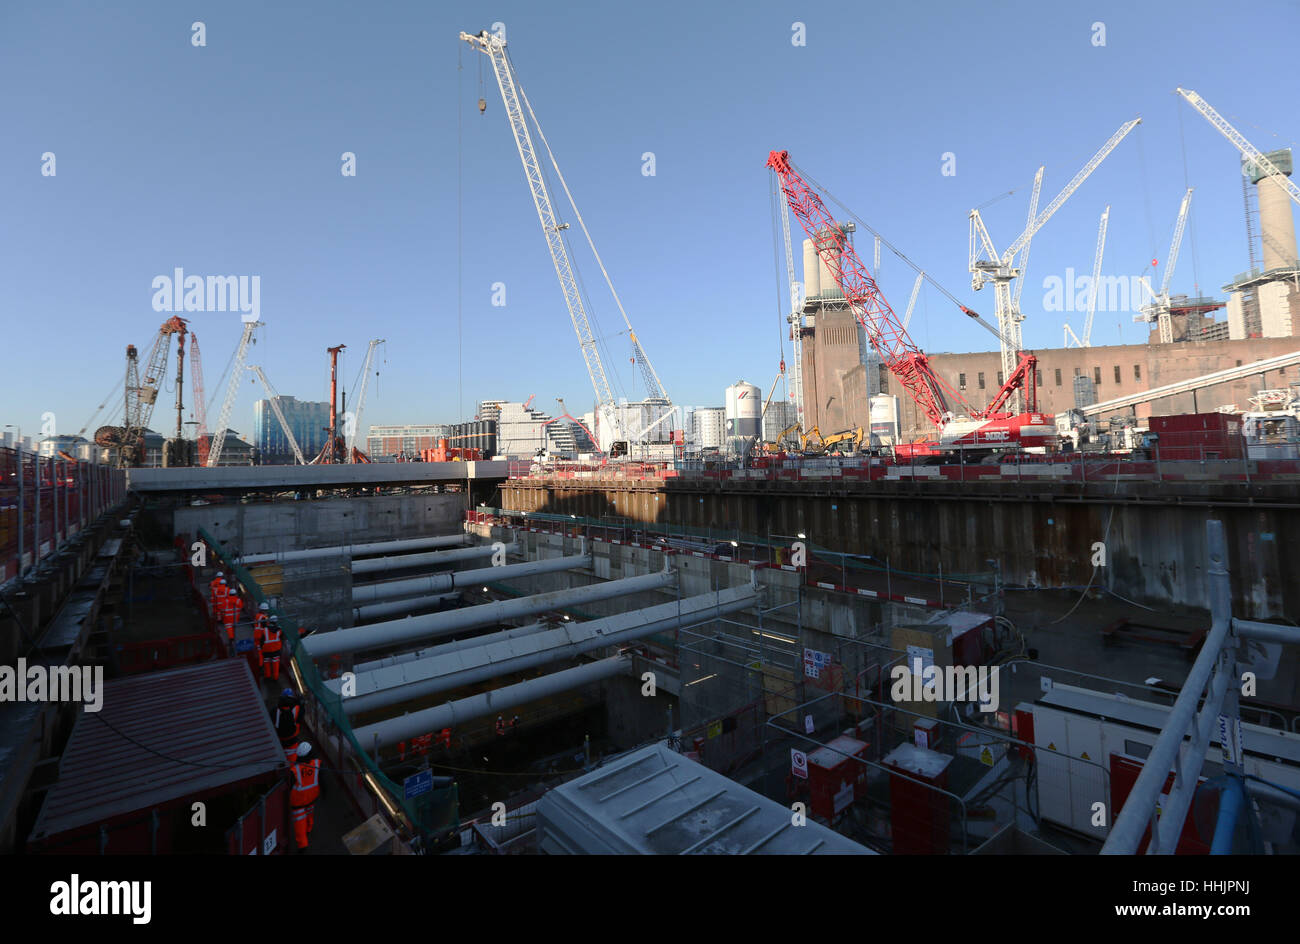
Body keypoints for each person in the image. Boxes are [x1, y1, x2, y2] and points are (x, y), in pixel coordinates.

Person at [289, 741, 322, 852]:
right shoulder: (317, 764)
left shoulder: (294, 770)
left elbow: (289, 785)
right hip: (312, 797)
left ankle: (303, 845)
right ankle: (309, 829)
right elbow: (322, 780)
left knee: (299, 823)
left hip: (298, 801)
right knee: (309, 814)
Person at [275, 688, 301, 763]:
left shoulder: (278, 709)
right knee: (293, 753)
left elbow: (277, 724)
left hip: (283, 735)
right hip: (293, 733)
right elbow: (297, 719)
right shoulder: (296, 706)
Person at [261, 614, 283, 680]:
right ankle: (275, 678)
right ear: (276, 622)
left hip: (266, 650)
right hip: (276, 650)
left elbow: (262, 640)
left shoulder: (264, 630)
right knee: (275, 664)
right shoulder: (279, 630)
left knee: (267, 664)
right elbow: (281, 638)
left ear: (270, 621)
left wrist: (262, 648)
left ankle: (268, 676)